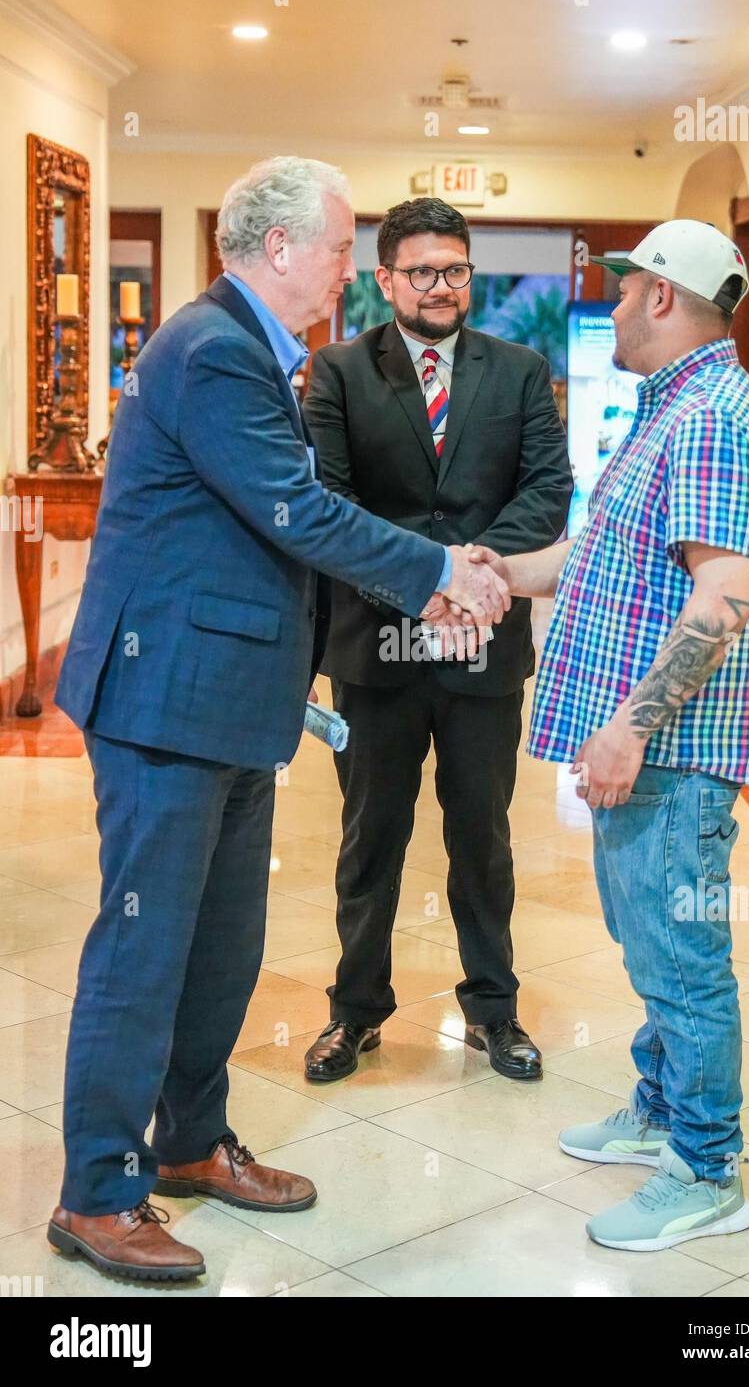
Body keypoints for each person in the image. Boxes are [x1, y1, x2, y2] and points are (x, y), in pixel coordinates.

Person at [48, 157, 509, 1284]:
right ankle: (96, 1195)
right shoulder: (213, 350)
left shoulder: (252, 345)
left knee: (221, 944)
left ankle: (191, 1144)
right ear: (278, 247)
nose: (355, 269)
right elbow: (298, 510)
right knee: (145, 944)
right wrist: (442, 568)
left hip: (231, 696)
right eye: (347, 248)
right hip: (167, 697)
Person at [469, 220, 749, 1251]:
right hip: (651, 747)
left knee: (683, 957)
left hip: (674, 753)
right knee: (653, 942)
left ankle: (706, 1165)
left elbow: (722, 597)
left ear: (662, 296)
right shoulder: (675, 409)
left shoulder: (710, 421)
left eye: (624, 287)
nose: (610, 304)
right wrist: (492, 573)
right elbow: (598, 555)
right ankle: (661, 1111)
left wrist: (629, 729)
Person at [302, 198, 572, 1082]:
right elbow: (330, 506)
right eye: (420, 271)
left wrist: (478, 574)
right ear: (385, 280)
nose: (440, 286)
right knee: (369, 837)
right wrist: (427, 584)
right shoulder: (337, 373)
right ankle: (354, 1013)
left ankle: (493, 1010)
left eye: (454, 269)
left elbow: (546, 489)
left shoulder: (520, 371)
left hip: (484, 640)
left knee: (482, 838)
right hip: (375, 643)